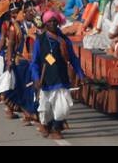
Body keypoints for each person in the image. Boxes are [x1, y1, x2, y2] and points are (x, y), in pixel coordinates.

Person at [29, 11, 84, 139]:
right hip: (46, 79)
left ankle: (56, 128)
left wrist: (81, 74)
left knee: (63, 107)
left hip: (61, 78)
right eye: (50, 21)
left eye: (55, 21)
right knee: (45, 109)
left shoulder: (64, 40)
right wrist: (36, 78)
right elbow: (35, 62)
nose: (53, 23)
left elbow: (73, 58)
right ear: (45, 24)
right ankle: (46, 125)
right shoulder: (40, 40)